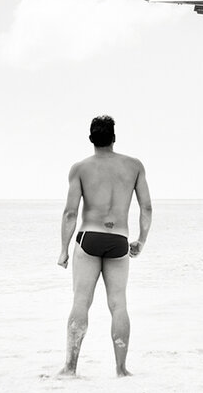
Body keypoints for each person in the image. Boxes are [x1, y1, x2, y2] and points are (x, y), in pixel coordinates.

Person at [57, 115, 152, 377]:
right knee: (119, 305)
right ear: (113, 138)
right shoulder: (134, 166)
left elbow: (70, 213)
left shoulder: (80, 169)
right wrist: (141, 241)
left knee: (81, 301)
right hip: (119, 240)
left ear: (91, 138)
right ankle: (121, 370)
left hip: (89, 237)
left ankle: (70, 368)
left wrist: (64, 249)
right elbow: (146, 207)